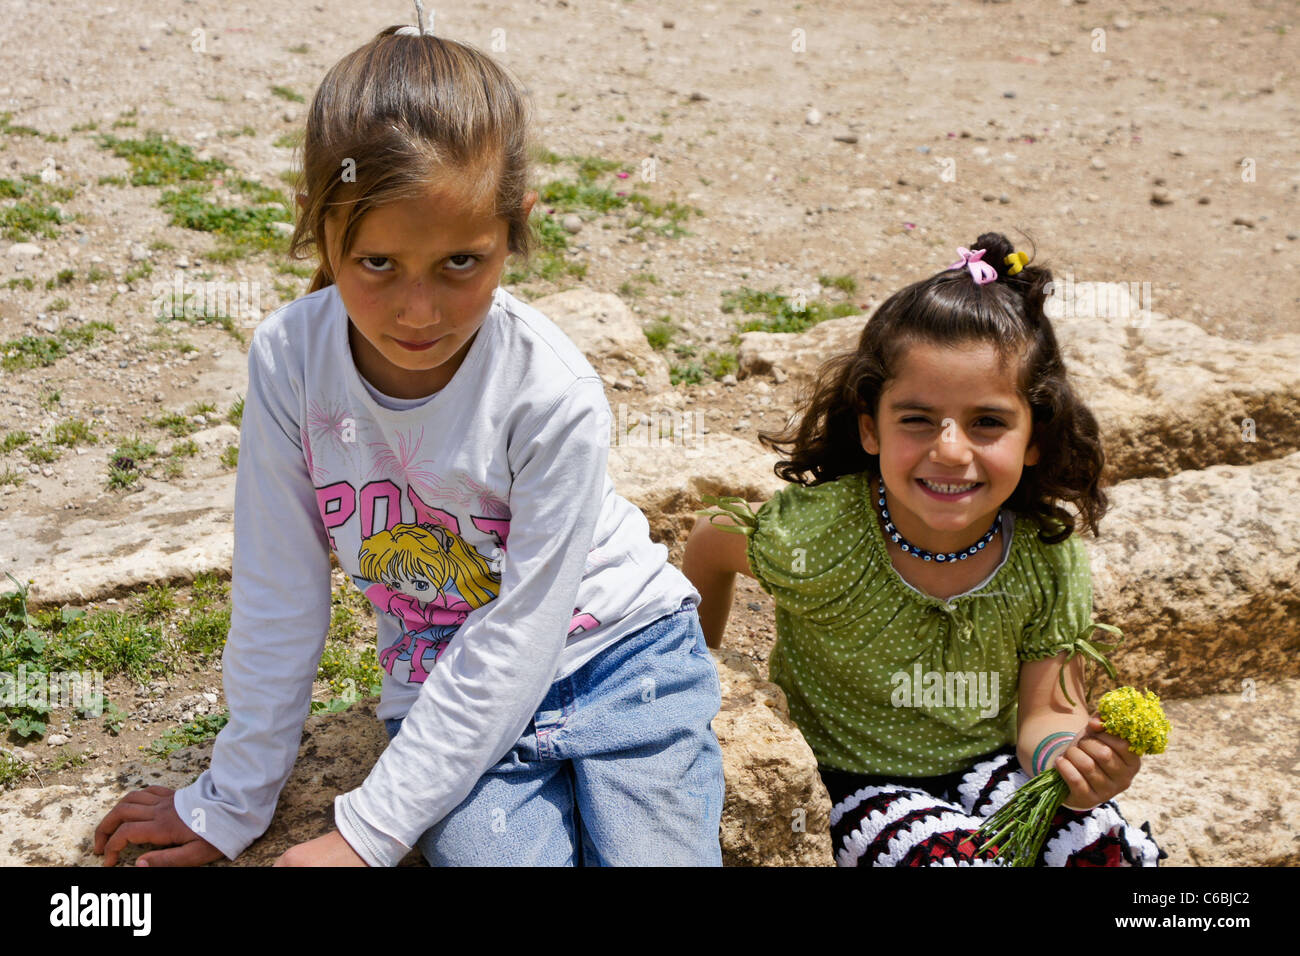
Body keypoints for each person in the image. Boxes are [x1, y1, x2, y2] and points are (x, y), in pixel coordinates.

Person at [93, 15, 723, 868]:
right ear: (319, 229)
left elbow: (526, 629)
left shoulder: (550, 391)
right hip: (445, 680)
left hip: (625, 663)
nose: (419, 312)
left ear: (516, 228)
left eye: (462, 262)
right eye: (378, 263)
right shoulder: (289, 361)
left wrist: (364, 831)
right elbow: (280, 593)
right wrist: (232, 800)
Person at [682, 232, 1164, 866]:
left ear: (1036, 438)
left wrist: (1073, 766)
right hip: (857, 782)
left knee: (1104, 848)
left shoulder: (1048, 558)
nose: (950, 450)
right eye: (916, 419)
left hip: (990, 770)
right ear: (868, 427)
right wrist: (701, 676)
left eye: (987, 422)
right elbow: (711, 541)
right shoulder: (821, 537)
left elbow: (1049, 713)